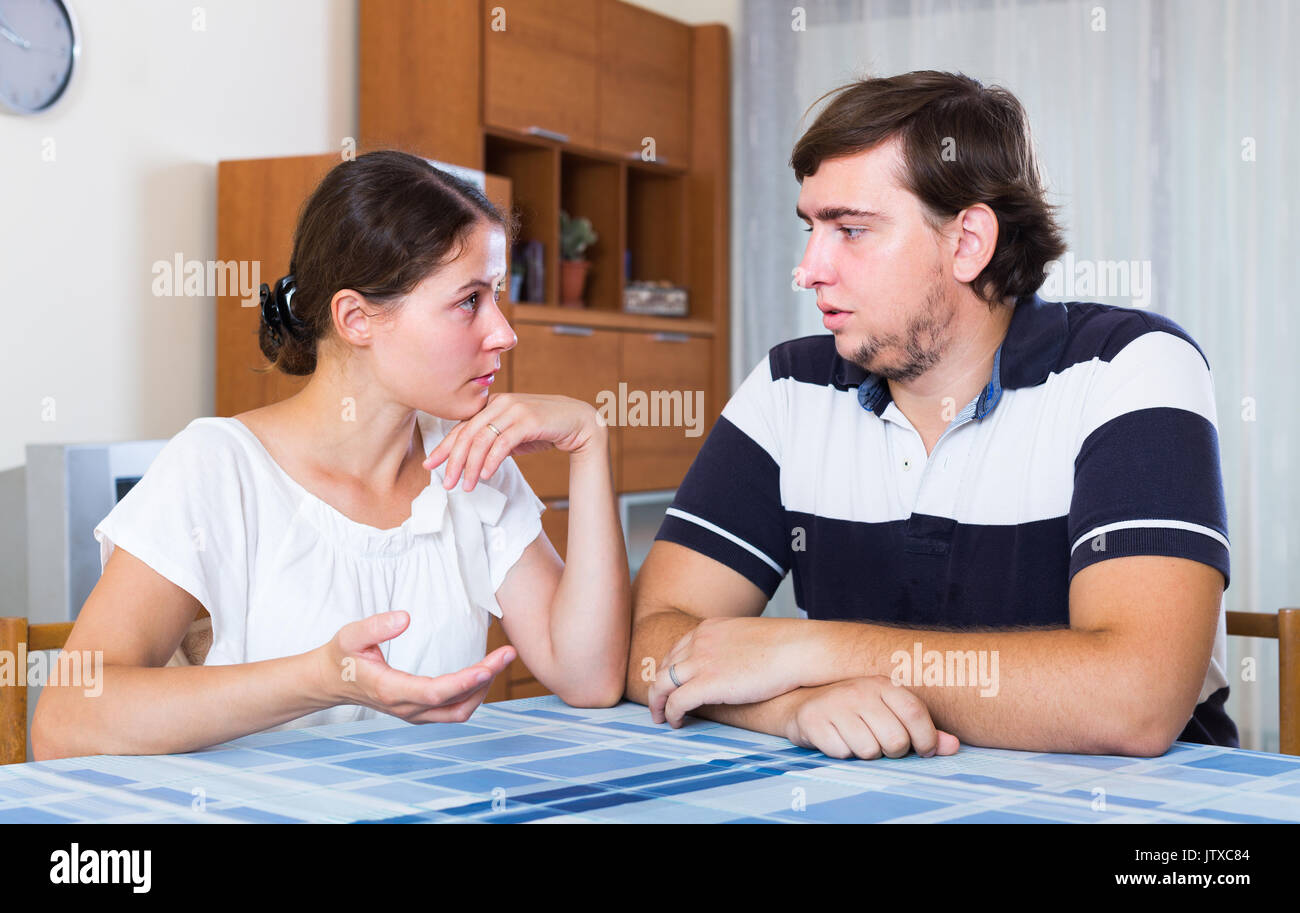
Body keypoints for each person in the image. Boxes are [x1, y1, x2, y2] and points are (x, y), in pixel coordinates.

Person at [626, 71, 1233, 760]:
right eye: (811, 229)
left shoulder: (1133, 366)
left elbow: (1137, 698)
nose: (809, 268)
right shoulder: (788, 386)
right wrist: (794, 705)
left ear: (968, 241)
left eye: (850, 230)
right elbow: (647, 643)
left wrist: (806, 648)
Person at [33, 151, 630, 759]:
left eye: (497, 295)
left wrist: (589, 442)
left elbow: (590, 677)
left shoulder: (468, 463)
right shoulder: (217, 468)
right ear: (356, 318)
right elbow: (64, 723)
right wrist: (318, 678)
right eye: (470, 300)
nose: (505, 332)